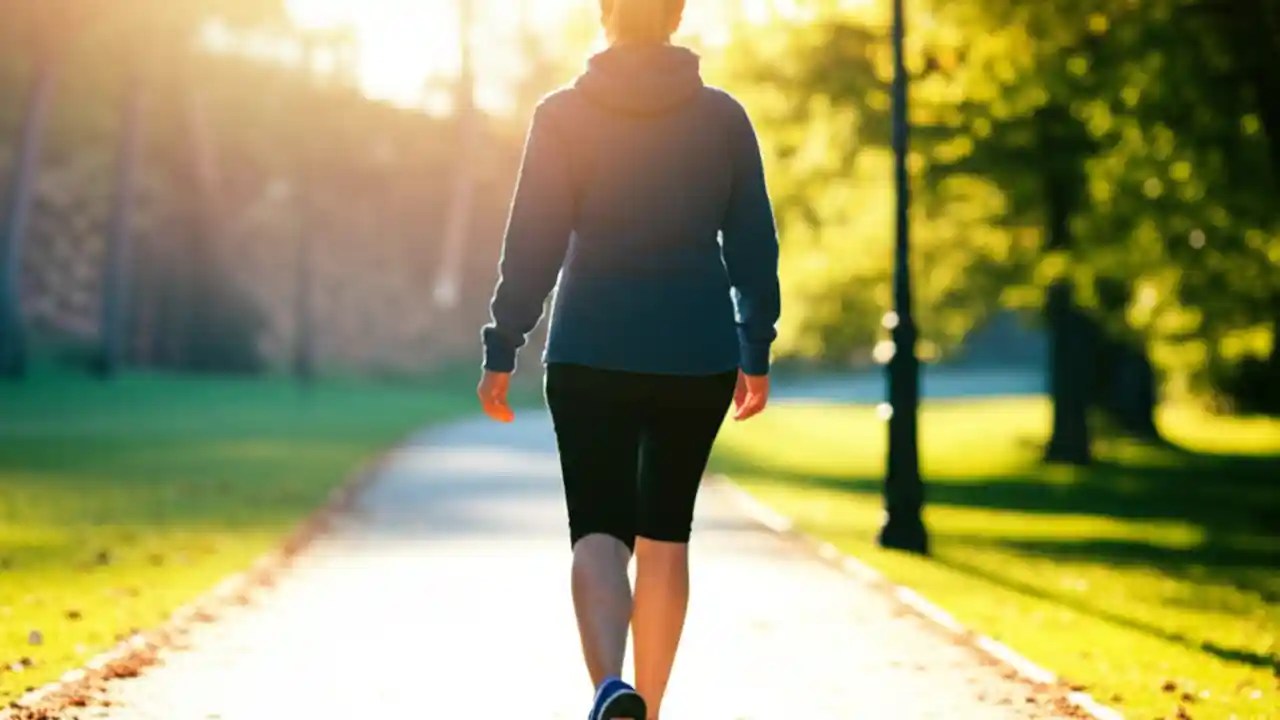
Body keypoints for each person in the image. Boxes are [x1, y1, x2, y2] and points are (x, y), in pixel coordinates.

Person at [476, 0, 780, 717]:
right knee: (667, 532)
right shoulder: (722, 118)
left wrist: (502, 344)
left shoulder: (562, 115)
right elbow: (753, 246)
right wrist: (756, 347)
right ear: (676, 14)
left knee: (598, 529)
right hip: (696, 353)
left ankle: (610, 688)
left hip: (590, 351)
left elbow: (532, 245)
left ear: (604, 12)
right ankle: (650, 705)